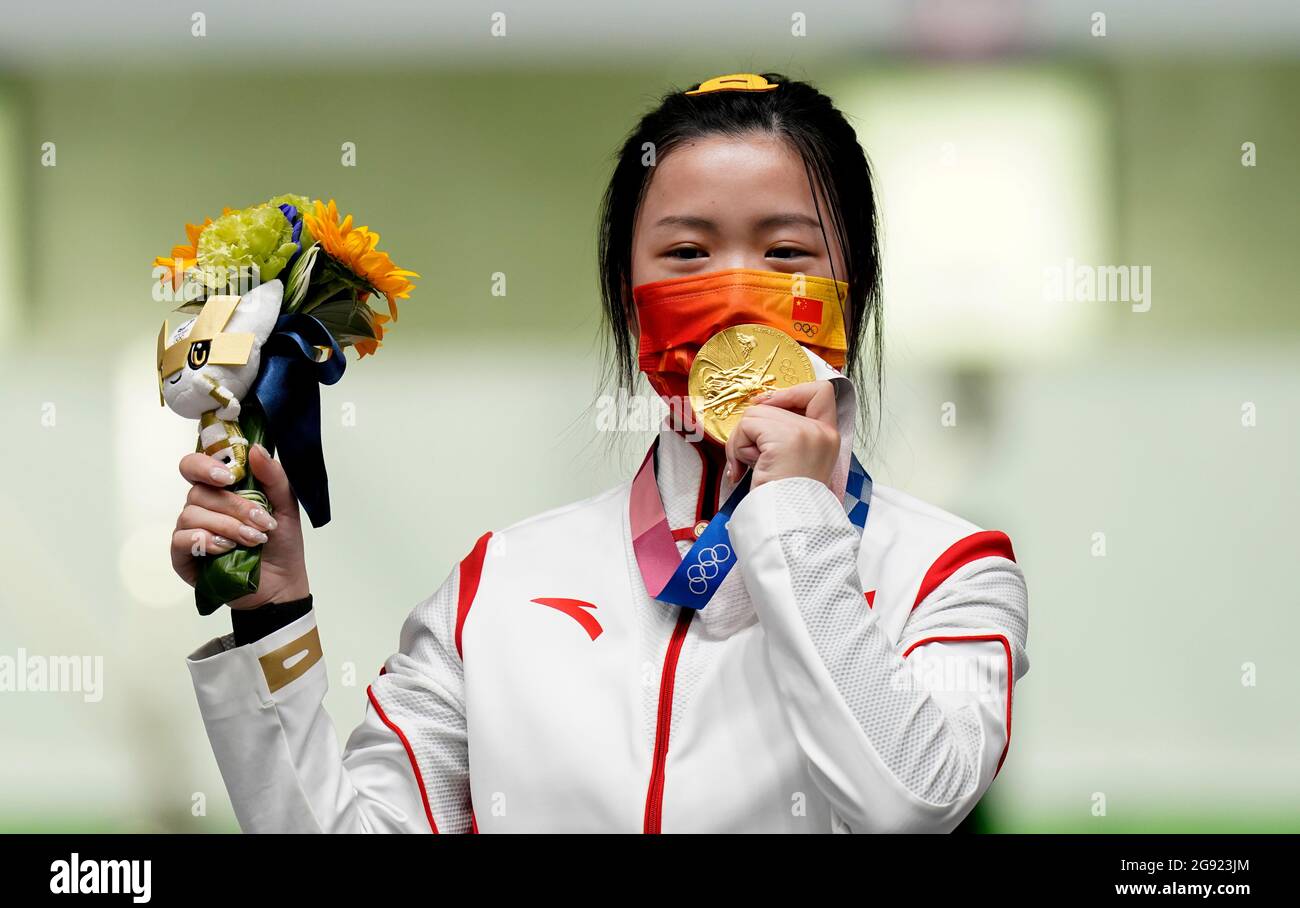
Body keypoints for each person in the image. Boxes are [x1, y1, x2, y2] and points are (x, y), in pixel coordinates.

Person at [172, 72, 1029, 833]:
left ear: (855, 290)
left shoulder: (948, 572)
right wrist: (271, 613)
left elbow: (910, 803)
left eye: (785, 253)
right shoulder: (499, 585)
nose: (732, 293)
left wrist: (796, 517)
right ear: (630, 299)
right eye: (688, 253)